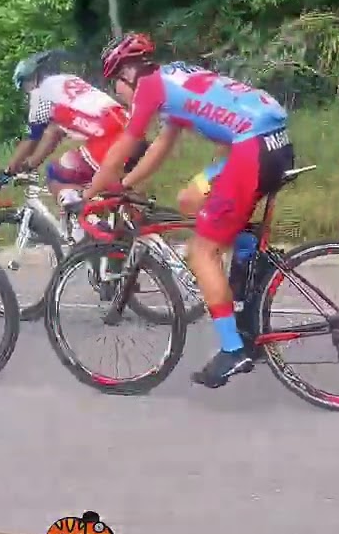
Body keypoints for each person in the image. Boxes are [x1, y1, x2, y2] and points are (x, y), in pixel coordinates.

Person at [80, 33, 297, 388]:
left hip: (251, 152)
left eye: (114, 83)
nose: (116, 92)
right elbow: (160, 147)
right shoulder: (171, 80)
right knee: (189, 200)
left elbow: (124, 146)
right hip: (272, 143)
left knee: (201, 251)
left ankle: (233, 349)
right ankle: (245, 267)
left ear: (128, 74)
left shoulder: (150, 88)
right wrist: (125, 185)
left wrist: (91, 192)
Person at [0, 50, 149, 239]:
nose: (27, 92)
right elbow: (54, 132)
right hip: (131, 129)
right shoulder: (68, 81)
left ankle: (84, 231)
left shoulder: (41, 92)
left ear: (32, 79)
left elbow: (33, 138)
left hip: (108, 137)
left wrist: (9, 171)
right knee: (116, 192)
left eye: (25, 86)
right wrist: (31, 164)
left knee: (57, 174)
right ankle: (134, 237)